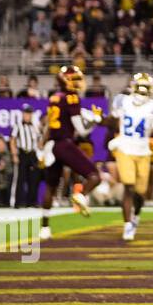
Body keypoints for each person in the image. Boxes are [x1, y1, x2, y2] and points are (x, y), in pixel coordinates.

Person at [105, 73, 153, 242]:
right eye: (140, 88)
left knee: (140, 193)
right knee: (129, 186)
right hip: (124, 149)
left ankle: (136, 215)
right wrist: (97, 119)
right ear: (133, 88)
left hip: (143, 152)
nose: (142, 93)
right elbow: (113, 122)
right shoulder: (122, 101)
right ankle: (127, 225)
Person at [41, 65, 106, 229]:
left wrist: (42, 147)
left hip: (52, 145)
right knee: (94, 177)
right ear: (67, 81)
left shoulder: (55, 97)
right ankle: (80, 195)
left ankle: (45, 228)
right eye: (75, 79)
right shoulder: (72, 97)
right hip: (64, 144)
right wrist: (94, 122)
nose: (78, 83)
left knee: (50, 187)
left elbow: (50, 125)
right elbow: (82, 130)